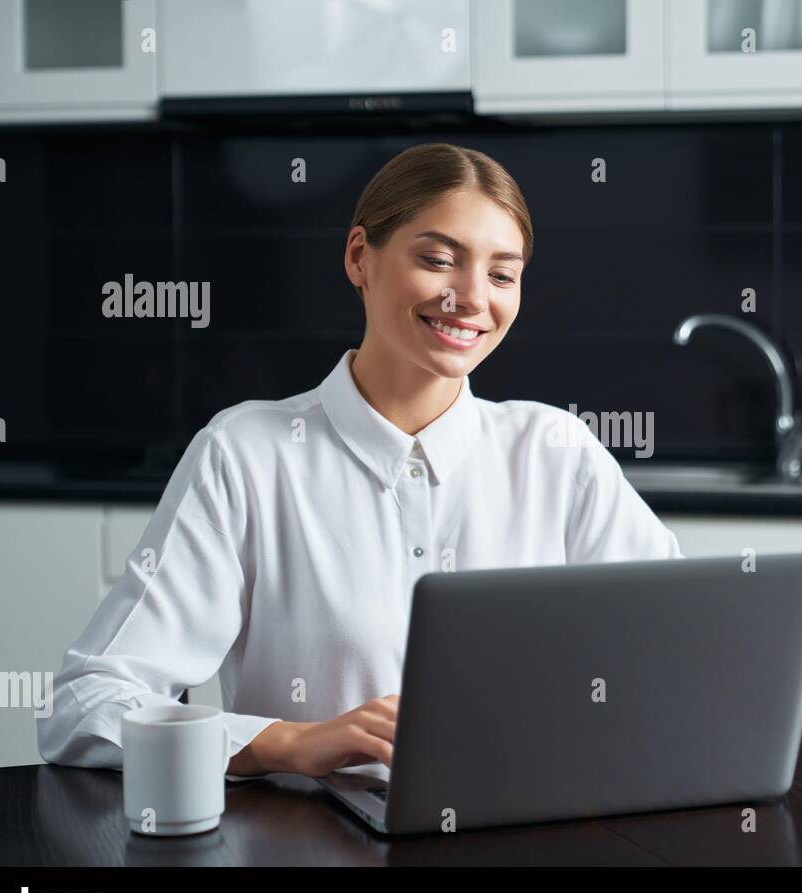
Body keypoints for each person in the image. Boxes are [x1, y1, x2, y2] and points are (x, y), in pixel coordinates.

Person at [37, 143, 682, 780]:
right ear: (358, 258)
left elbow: (681, 651)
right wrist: (288, 743)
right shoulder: (246, 454)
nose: (470, 297)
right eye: (437, 260)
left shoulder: (557, 452)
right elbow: (84, 706)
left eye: (501, 274)